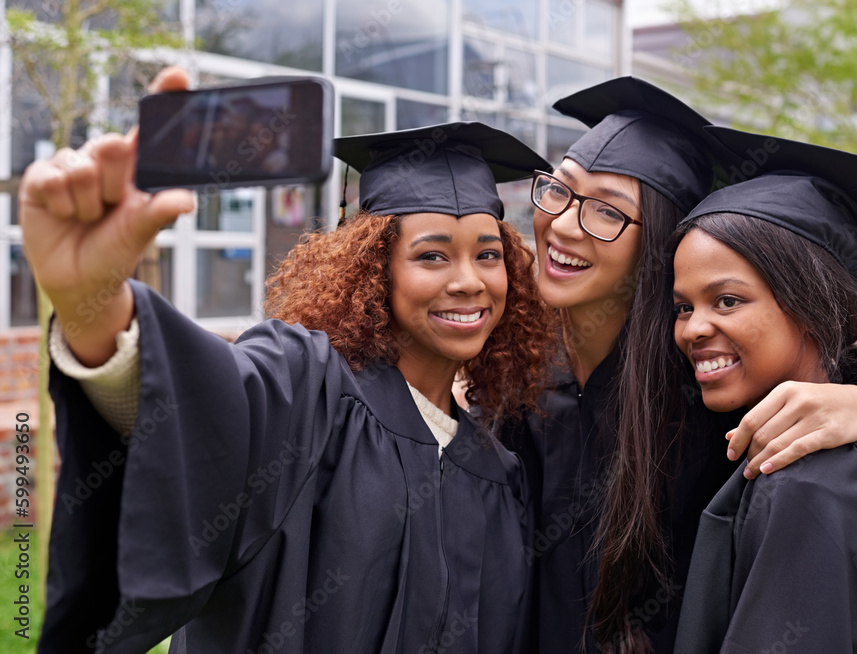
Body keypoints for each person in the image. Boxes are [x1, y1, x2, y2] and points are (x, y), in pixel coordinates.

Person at [27, 68, 556, 653]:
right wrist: (92, 304)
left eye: (488, 254)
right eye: (431, 256)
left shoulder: (498, 472)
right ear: (374, 270)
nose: (468, 281)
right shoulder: (308, 387)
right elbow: (205, 410)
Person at [503, 76, 857, 653]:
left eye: (607, 211)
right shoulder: (516, 373)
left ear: (657, 247)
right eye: (559, 190)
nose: (562, 223)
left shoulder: (699, 388)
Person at [671, 127, 857, 652]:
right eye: (682, 306)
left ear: (813, 308)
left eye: (726, 301)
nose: (692, 329)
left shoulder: (808, 483)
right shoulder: (774, 447)